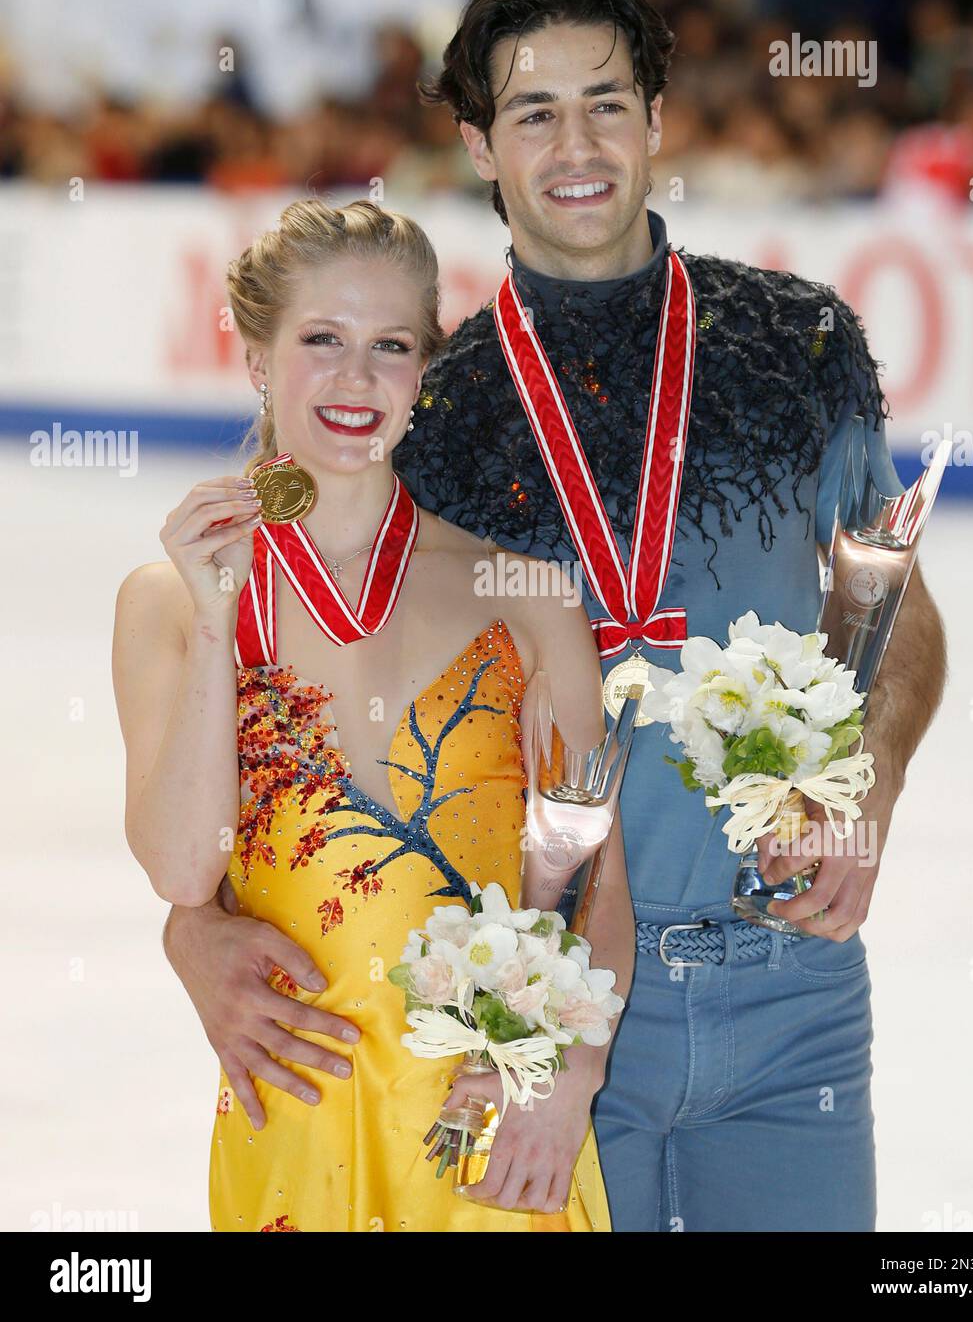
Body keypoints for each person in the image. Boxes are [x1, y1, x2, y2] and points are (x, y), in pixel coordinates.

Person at [161, 0, 947, 1232]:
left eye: (606, 102)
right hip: (542, 1023)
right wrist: (189, 928)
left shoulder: (799, 344)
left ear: (657, 118)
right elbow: (287, 697)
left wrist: (881, 771)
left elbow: (894, 601)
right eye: (533, 112)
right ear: (478, 141)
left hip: (792, 987)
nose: (575, 144)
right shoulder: (429, 407)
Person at [112, 197, 634, 1231]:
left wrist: (568, 1077)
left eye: (391, 346)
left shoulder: (523, 596)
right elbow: (182, 871)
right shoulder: (169, 603)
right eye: (322, 340)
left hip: (498, 1135)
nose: (357, 380)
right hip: (300, 1129)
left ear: (424, 371)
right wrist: (221, 627)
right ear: (256, 353)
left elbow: (599, 885)